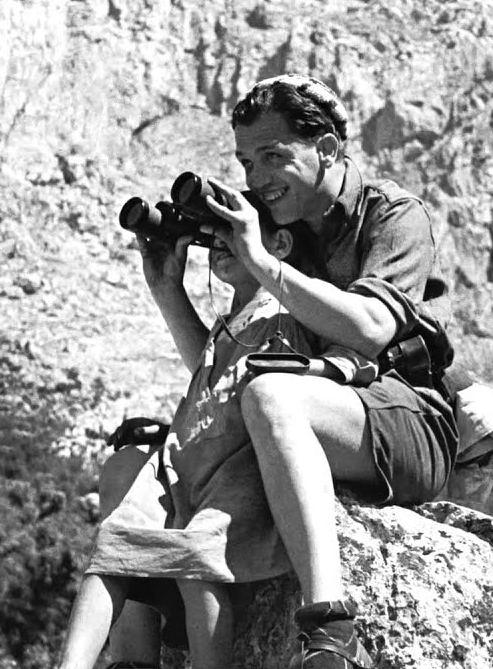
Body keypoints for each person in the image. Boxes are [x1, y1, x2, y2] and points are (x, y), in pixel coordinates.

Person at [61, 74, 457, 669]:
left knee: (273, 395)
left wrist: (261, 258)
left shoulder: (393, 215)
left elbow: (373, 327)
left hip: (404, 419)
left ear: (327, 148)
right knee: (179, 441)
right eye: (248, 161)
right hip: (325, 411)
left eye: (274, 157)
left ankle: (329, 629)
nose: (258, 179)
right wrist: (168, 288)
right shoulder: (288, 227)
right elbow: (228, 376)